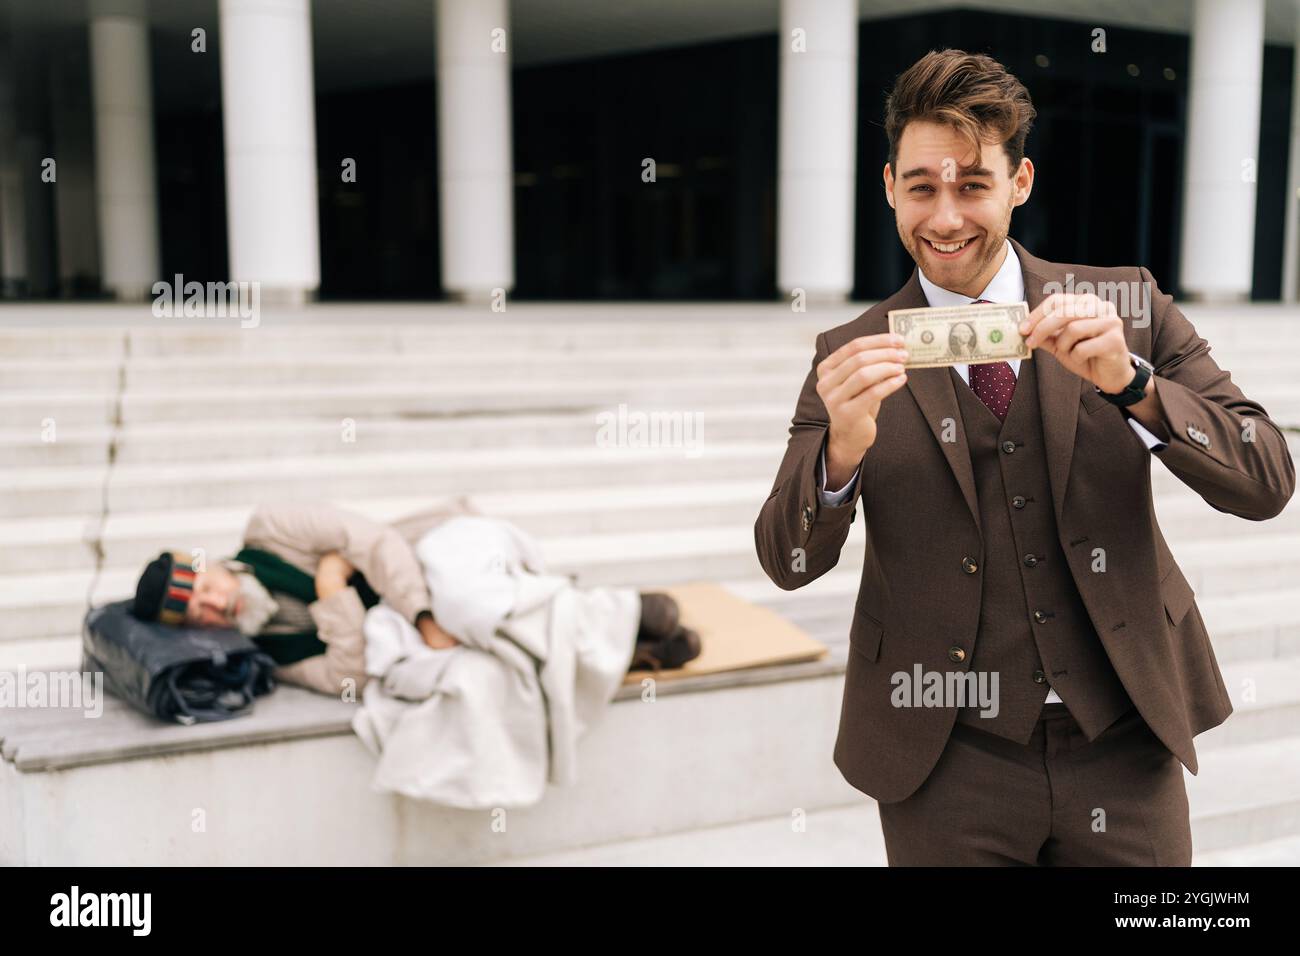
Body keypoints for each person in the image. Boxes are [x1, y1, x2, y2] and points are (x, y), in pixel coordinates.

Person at [754, 49, 1295, 866]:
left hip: (1124, 735)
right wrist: (840, 455)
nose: (945, 218)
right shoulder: (849, 352)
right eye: (922, 187)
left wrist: (1135, 385)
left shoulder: (1129, 308)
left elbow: (1265, 481)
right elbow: (787, 562)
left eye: (972, 185)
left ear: (1021, 182)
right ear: (891, 185)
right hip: (944, 755)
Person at [130, 499, 699, 698]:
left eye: (203, 587)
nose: (213, 604)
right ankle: (629, 648)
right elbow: (348, 675)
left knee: (468, 605)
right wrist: (332, 591)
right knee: (473, 673)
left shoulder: (271, 529)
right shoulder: (267, 654)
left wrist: (423, 616)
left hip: (427, 553)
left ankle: (620, 613)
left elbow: (373, 542)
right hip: (395, 627)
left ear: (205, 565)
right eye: (197, 612)